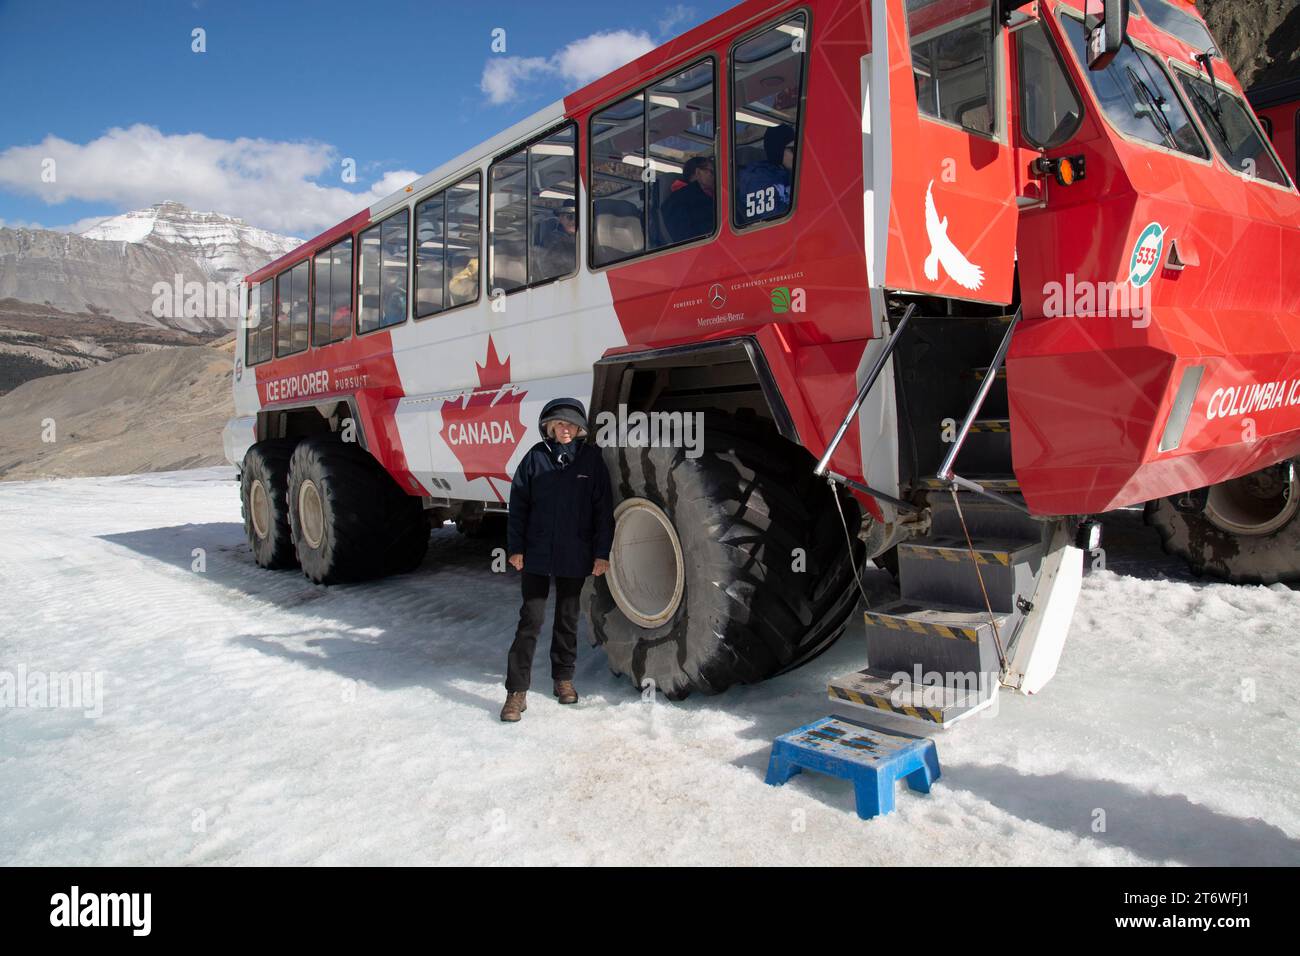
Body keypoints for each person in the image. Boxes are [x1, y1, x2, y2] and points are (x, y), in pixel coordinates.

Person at [501, 397, 614, 722]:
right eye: (559, 424)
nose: (565, 429)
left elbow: (602, 511)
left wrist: (601, 553)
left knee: (567, 618)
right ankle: (516, 692)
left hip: (575, 553)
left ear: (579, 428)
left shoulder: (591, 461)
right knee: (530, 621)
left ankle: (563, 679)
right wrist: (516, 549)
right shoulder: (535, 459)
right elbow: (518, 506)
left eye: (571, 424)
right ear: (549, 427)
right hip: (536, 554)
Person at [737, 123, 795, 222]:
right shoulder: (756, 179)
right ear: (779, 151)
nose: (798, 153)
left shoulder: (788, 174)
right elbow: (775, 219)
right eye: (793, 149)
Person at [661, 155, 716, 243]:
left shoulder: (711, 195)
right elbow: (685, 238)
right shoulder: (677, 201)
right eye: (712, 172)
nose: (717, 176)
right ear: (698, 172)